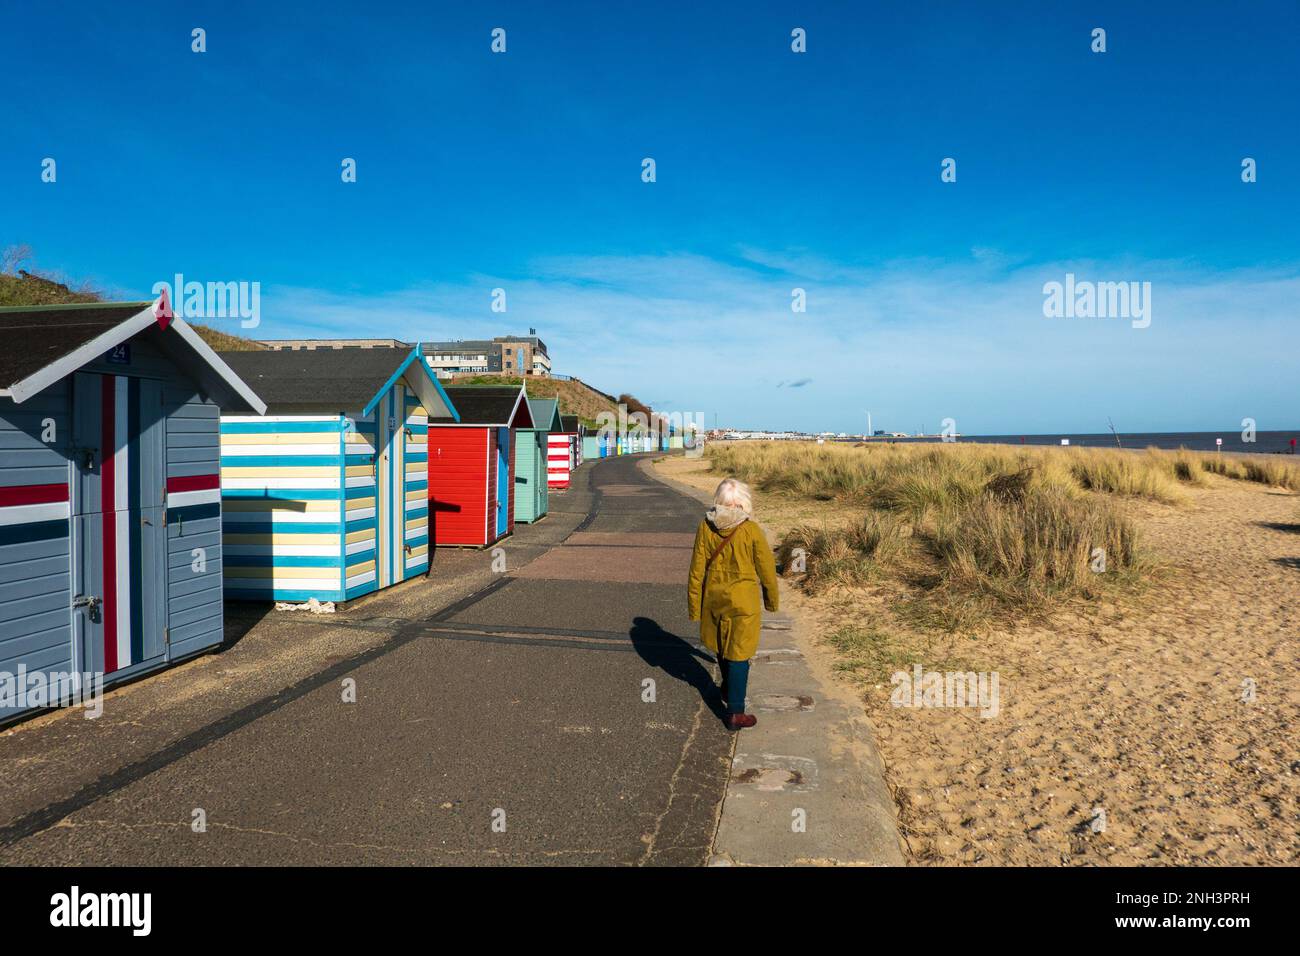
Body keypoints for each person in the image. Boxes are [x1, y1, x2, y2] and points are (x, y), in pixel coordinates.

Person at [687, 478, 780, 730]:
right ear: (743, 502)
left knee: (721, 644)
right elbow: (767, 571)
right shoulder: (751, 530)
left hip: (715, 598)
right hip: (744, 601)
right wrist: (771, 601)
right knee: (739, 652)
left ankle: (728, 690)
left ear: (719, 500)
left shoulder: (706, 526)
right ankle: (736, 713)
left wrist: (694, 606)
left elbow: (696, 571)